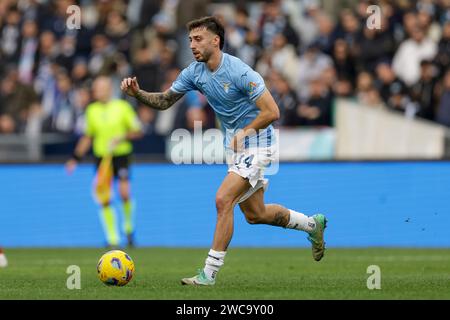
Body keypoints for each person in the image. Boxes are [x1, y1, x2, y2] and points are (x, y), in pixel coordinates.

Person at [120, 16, 327, 286]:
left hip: (259, 142)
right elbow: (165, 100)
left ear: (215, 41)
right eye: (190, 40)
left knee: (223, 199)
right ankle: (312, 224)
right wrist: (138, 94)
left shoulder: (239, 72)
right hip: (237, 147)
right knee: (256, 214)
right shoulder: (194, 72)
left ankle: (209, 273)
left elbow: (272, 111)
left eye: (198, 39)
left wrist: (245, 132)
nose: (192, 45)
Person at [66, 76, 143, 248]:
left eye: (102, 87)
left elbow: (138, 131)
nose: (98, 91)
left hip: (121, 155)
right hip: (102, 158)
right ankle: (113, 238)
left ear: (110, 88)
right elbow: (87, 136)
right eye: (96, 88)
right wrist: (75, 158)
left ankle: (129, 230)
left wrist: (122, 137)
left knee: (124, 193)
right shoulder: (91, 110)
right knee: (104, 198)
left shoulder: (122, 107)